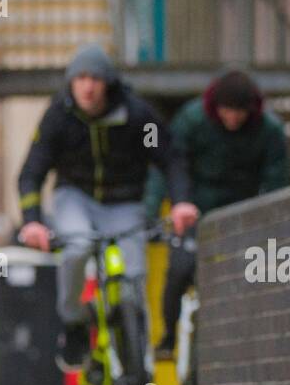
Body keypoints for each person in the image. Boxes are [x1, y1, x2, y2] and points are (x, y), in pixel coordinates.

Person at [16, 43, 197, 368]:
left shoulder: (138, 116)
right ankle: (73, 322)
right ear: (71, 82)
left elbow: (170, 159)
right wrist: (32, 221)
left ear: (108, 83)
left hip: (125, 203)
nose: (88, 86)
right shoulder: (59, 116)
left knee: (134, 282)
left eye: (96, 79)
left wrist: (181, 202)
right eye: (81, 78)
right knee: (77, 247)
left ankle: (141, 382)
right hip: (75, 199)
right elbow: (31, 173)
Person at [145, 68, 289, 357]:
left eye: (239, 113)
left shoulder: (269, 130)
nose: (233, 119)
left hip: (240, 212)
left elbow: (276, 179)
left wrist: (272, 219)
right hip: (195, 209)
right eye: (227, 111)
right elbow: (170, 166)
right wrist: (152, 212)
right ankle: (169, 336)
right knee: (180, 269)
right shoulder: (192, 120)